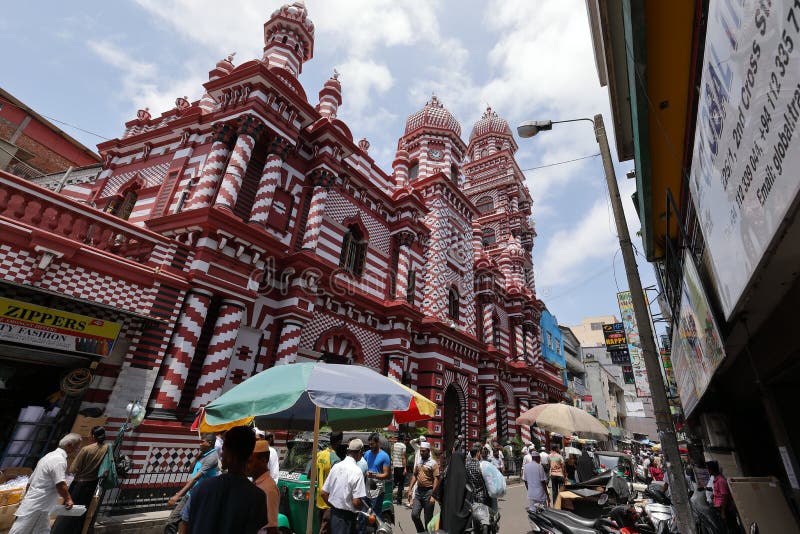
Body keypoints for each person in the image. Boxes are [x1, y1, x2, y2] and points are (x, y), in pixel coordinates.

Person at [183, 426, 267, 534]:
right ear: (250, 455)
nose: (221, 455)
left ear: (228, 453)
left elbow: (185, 524)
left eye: (223, 450)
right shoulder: (257, 497)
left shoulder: (202, 487)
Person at [10, 433, 80, 534]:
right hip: (38, 505)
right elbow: (60, 483)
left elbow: (30, 482)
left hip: (41, 505)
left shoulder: (48, 456)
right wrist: (68, 499)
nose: (77, 451)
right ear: (69, 445)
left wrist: (27, 498)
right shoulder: (59, 460)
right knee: (20, 530)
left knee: (43, 530)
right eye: (77, 448)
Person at [51, 426, 110, 534]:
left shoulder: (86, 449)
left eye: (90, 434)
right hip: (92, 485)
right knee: (81, 514)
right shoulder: (107, 448)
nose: (88, 436)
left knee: (67, 512)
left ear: (93, 436)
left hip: (79, 484)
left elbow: (73, 469)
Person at [165, 433, 218, 534]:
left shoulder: (212, 458)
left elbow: (195, 479)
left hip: (199, 496)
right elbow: (190, 469)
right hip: (191, 494)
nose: (200, 444)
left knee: (181, 522)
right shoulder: (203, 454)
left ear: (210, 443)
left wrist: (177, 496)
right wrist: (197, 457)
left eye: (202, 442)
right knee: (175, 521)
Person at [321, 438, 367, 534]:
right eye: (362, 453)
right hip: (347, 519)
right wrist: (362, 507)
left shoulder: (336, 466)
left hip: (334, 515)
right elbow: (356, 502)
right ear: (359, 452)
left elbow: (323, 493)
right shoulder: (357, 471)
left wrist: (334, 506)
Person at [247, 440, 280, 534]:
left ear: (263, 460)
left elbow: (271, 528)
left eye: (250, 461)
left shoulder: (269, 489)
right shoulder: (256, 483)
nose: (247, 465)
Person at [360, 433, 390, 534]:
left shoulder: (384, 456)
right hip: (367, 485)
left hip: (378, 487)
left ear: (378, 443)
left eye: (372, 444)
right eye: (369, 444)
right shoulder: (367, 454)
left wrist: (374, 475)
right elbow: (362, 466)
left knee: (375, 515)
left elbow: (386, 474)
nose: (370, 446)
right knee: (363, 513)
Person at [407, 442, 439, 533]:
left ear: (428, 451)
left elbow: (436, 479)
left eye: (423, 451)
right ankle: (421, 532)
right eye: (421, 451)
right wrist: (410, 489)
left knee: (428, 519)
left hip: (429, 492)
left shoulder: (433, 463)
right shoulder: (419, 462)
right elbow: (414, 475)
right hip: (418, 492)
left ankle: (428, 532)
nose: (421, 453)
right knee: (414, 515)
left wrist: (433, 496)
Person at [316, 431, 342, 534]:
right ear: (339, 442)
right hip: (329, 502)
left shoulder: (319, 454)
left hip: (319, 500)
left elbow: (310, 474)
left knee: (321, 528)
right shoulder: (336, 460)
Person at [708, 461, 736, 532]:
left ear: (711, 470)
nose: (708, 471)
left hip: (724, 508)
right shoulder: (716, 479)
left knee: (730, 528)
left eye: (708, 469)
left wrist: (723, 512)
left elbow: (725, 495)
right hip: (720, 508)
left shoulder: (720, 480)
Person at [390, 435, 407, 505]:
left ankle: (389, 497)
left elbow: (392, 455)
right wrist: (405, 468)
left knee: (394, 483)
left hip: (395, 466)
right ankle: (399, 501)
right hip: (401, 467)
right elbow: (403, 457)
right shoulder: (403, 446)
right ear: (402, 439)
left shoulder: (394, 445)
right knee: (401, 484)